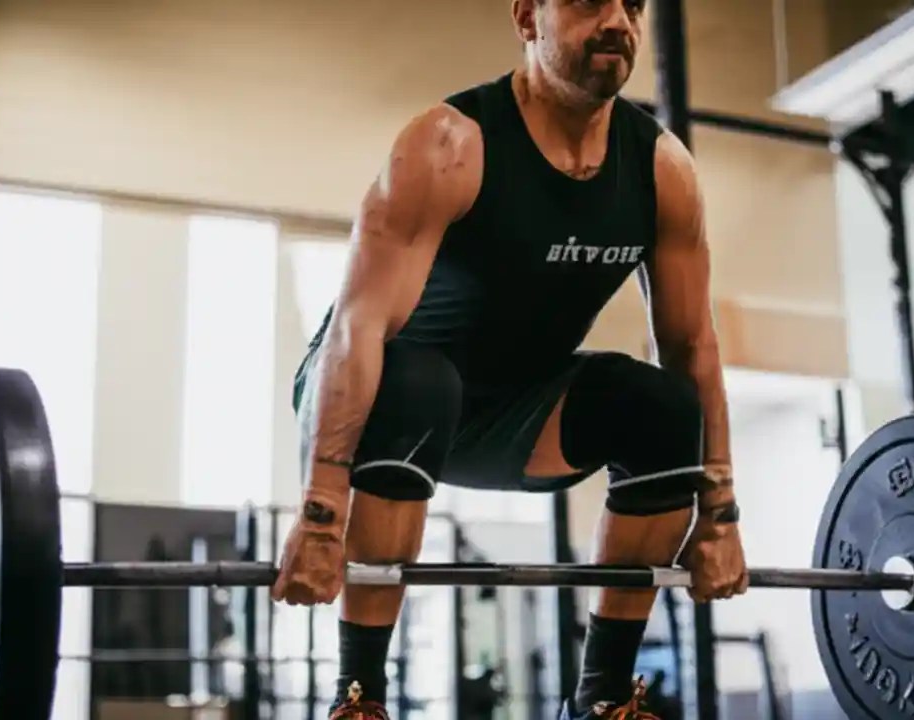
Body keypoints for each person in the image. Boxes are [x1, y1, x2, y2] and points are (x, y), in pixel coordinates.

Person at [272, 1, 748, 717]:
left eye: (633, 3)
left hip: (515, 411)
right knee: (421, 380)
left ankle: (601, 698)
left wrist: (720, 513)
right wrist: (320, 513)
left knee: (658, 406)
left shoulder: (662, 170)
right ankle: (359, 696)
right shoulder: (449, 144)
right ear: (528, 16)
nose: (617, 21)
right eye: (588, 0)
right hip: (376, 395)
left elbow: (692, 347)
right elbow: (357, 330)